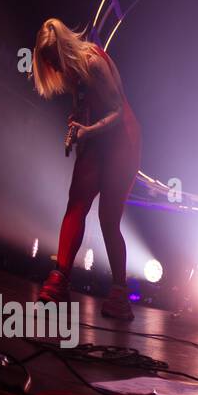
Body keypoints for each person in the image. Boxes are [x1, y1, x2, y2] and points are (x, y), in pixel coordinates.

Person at [31, 18, 143, 318]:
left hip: (122, 141)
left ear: (63, 50)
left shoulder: (92, 62)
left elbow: (118, 111)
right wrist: (75, 127)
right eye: (49, 62)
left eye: (54, 60)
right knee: (76, 205)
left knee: (109, 219)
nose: (53, 68)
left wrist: (87, 131)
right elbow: (83, 103)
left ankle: (120, 294)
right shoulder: (73, 71)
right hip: (97, 138)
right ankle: (59, 280)